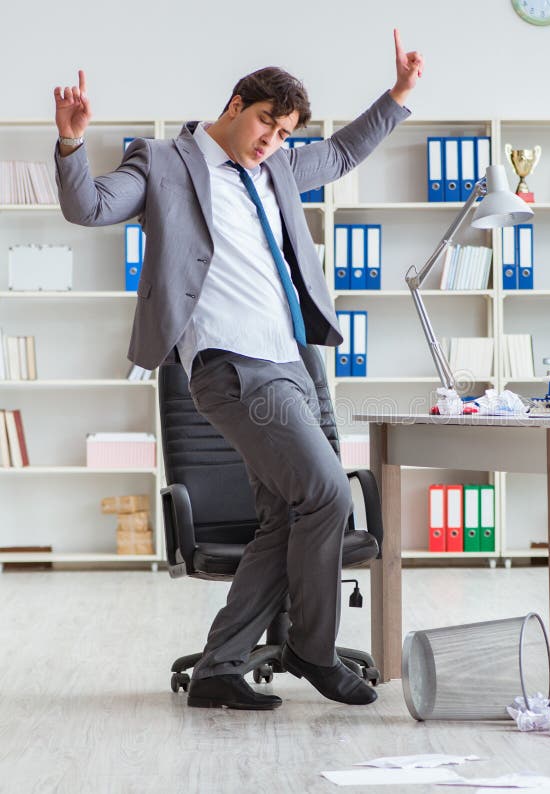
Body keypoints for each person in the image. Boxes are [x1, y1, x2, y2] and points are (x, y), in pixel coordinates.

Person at [54, 31, 423, 711]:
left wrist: (397, 95)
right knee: (327, 494)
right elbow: (90, 207)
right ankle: (313, 649)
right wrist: (72, 143)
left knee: (284, 516)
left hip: (291, 360)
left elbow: (342, 153)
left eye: (283, 134)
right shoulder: (163, 162)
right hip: (230, 363)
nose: (270, 142)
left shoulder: (276, 167)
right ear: (234, 105)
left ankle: (219, 668)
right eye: (264, 123)